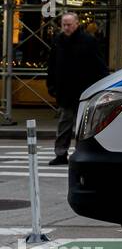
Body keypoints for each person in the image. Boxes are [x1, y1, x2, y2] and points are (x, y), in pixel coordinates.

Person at [45, 13, 109, 166]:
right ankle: (61, 154)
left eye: (69, 24)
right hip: (65, 90)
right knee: (64, 123)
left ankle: (82, 152)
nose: (66, 27)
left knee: (83, 125)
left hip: (84, 90)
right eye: (64, 24)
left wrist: (101, 85)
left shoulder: (88, 41)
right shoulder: (58, 42)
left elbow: (99, 65)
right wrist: (51, 85)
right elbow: (52, 66)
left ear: (76, 24)